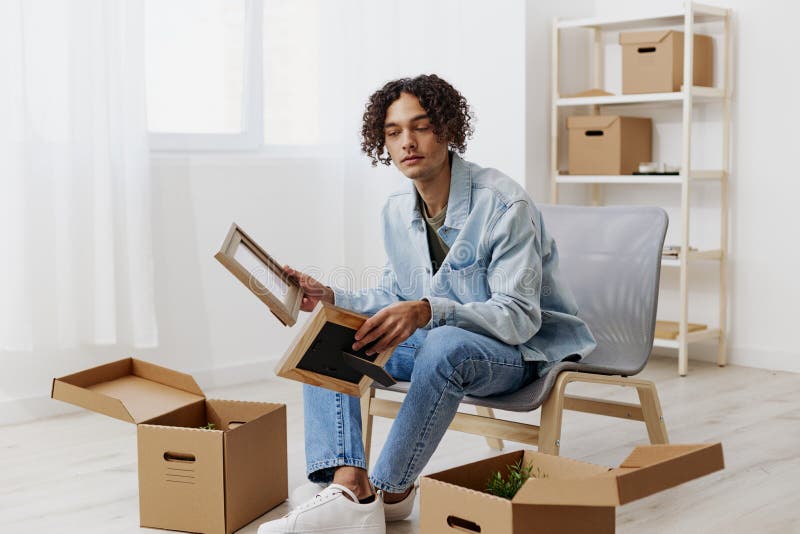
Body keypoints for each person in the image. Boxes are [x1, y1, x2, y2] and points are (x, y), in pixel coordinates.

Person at [258, 74, 596, 534]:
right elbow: (393, 298)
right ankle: (350, 486)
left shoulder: (504, 204)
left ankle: (390, 490)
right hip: (445, 342)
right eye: (394, 132)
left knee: (444, 344)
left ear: (448, 129)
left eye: (421, 127)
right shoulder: (397, 208)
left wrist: (428, 311)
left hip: (522, 353)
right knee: (332, 332)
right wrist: (332, 298)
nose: (407, 142)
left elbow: (518, 318)